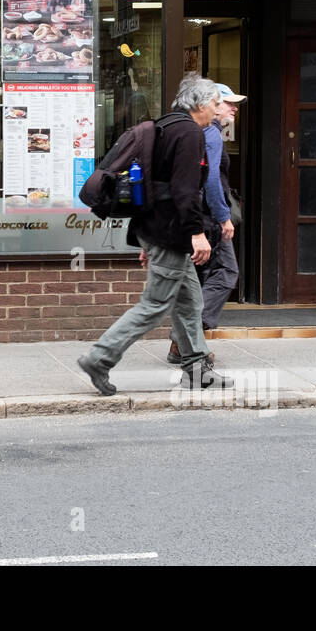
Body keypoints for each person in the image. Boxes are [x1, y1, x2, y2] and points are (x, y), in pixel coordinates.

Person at [77, 75, 234, 393]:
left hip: (159, 230)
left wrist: (150, 239)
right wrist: (197, 234)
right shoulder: (190, 133)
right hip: (171, 232)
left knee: (190, 301)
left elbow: (156, 186)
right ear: (201, 104)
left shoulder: (166, 125)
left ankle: (197, 368)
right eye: (216, 103)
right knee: (156, 303)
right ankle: (100, 358)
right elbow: (185, 191)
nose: (219, 110)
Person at [166, 82, 247, 365]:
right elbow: (211, 180)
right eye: (227, 103)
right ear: (211, 103)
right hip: (207, 218)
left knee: (196, 279)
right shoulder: (210, 133)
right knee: (226, 272)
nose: (233, 108)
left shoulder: (187, 130)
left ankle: (183, 343)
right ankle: (186, 340)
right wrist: (224, 217)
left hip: (189, 217)